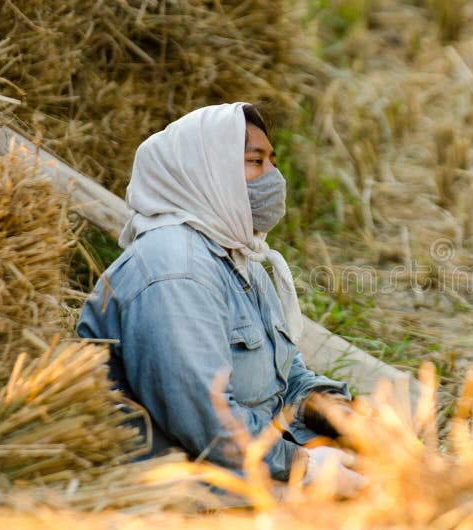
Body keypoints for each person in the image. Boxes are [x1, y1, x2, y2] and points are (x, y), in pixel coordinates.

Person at [76, 102, 363, 494]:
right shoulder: (175, 270)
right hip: (180, 487)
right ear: (207, 172)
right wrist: (305, 465)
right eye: (254, 161)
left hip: (244, 465)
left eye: (272, 161)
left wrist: (337, 412)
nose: (273, 176)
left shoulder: (239, 260)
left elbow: (286, 377)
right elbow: (207, 420)